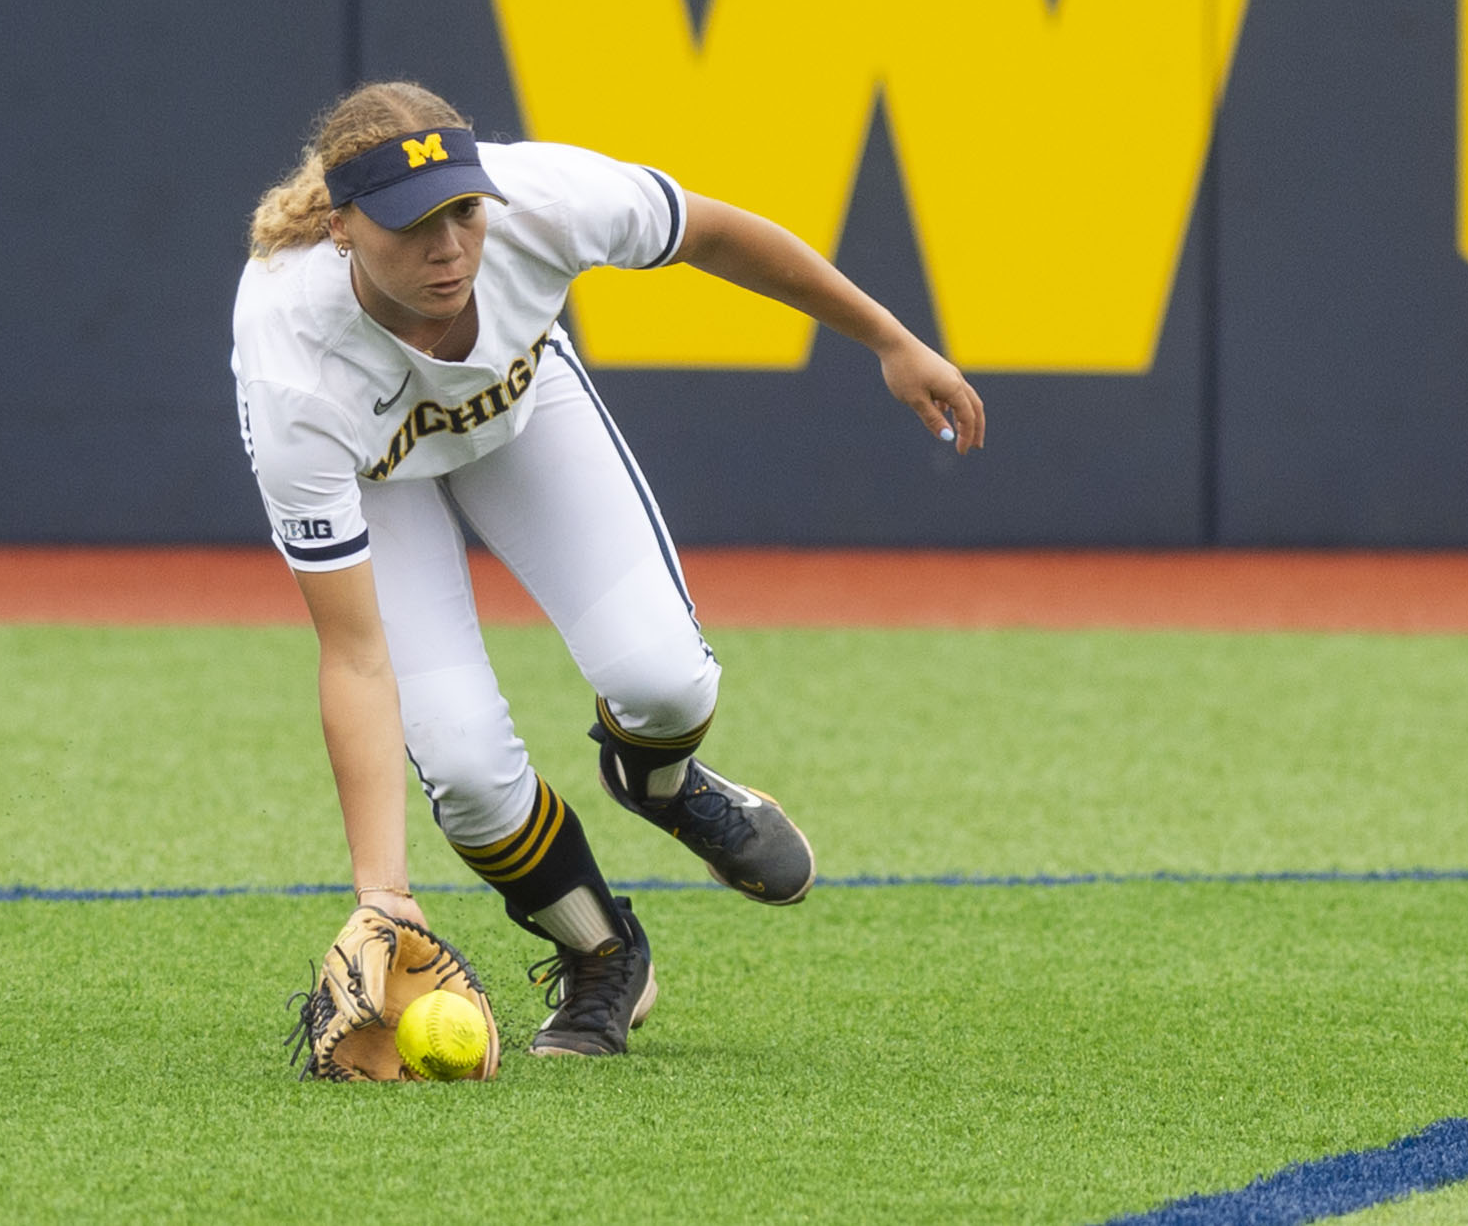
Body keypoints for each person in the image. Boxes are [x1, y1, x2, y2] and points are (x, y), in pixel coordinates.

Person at [235, 82, 982, 1057]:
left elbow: (717, 233)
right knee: (462, 767)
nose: (450, 246)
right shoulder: (293, 360)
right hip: (378, 476)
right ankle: (602, 953)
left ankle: (661, 781)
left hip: (521, 418)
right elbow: (355, 654)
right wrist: (384, 892)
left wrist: (888, 338)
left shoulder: (540, 197)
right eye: (412, 225)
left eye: (462, 211)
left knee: (664, 681)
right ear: (342, 228)